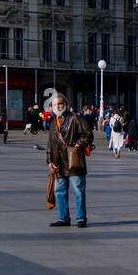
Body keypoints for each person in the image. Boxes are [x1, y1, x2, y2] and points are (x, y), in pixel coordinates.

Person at [45, 92, 93, 228]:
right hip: (58, 163)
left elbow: (88, 134)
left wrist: (78, 145)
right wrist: (49, 161)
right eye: (55, 104)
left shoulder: (75, 118)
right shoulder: (53, 122)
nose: (58, 106)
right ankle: (63, 218)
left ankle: (81, 218)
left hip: (74, 161)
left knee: (78, 191)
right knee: (59, 191)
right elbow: (50, 144)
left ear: (66, 104)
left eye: (60, 103)